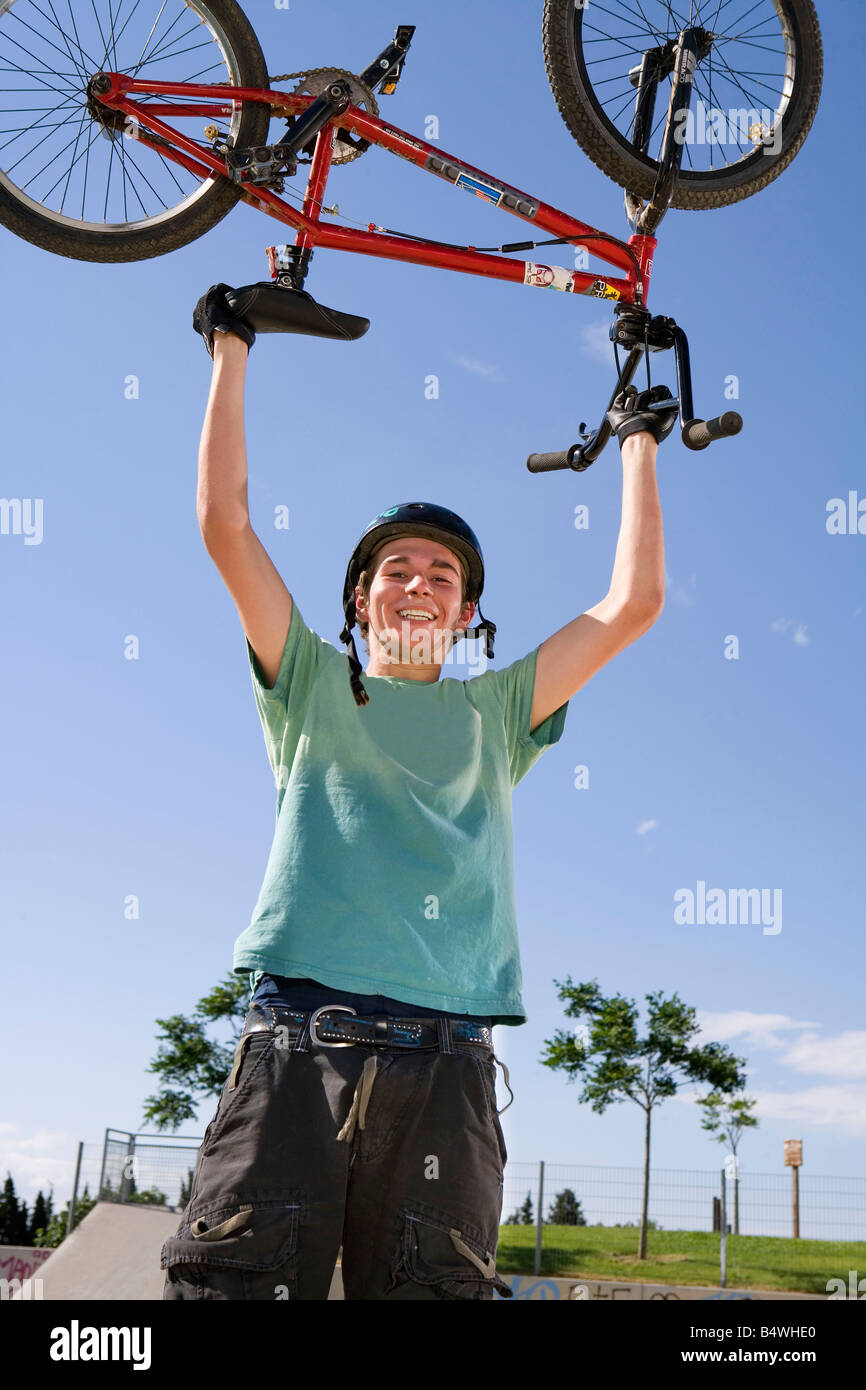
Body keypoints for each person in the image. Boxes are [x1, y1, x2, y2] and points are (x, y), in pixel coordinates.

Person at [160, 285, 675, 1301]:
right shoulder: (310, 683)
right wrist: (231, 343)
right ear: (361, 600)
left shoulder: (499, 709)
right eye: (396, 568)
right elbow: (223, 524)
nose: (417, 582)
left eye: (441, 574)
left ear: (466, 611)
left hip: (447, 1070)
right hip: (298, 1052)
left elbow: (632, 604)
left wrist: (634, 444)